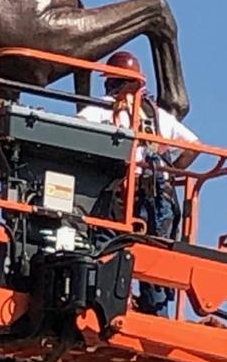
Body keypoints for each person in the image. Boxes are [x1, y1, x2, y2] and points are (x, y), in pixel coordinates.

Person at [77, 50, 199, 314]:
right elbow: (193, 146)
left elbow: (76, 130)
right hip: (158, 198)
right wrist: (170, 171)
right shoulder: (156, 115)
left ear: (113, 81)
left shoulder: (102, 108)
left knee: (104, 250)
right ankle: (155, 318)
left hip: (121, 195)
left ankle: (103, 308)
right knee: (154, 263)